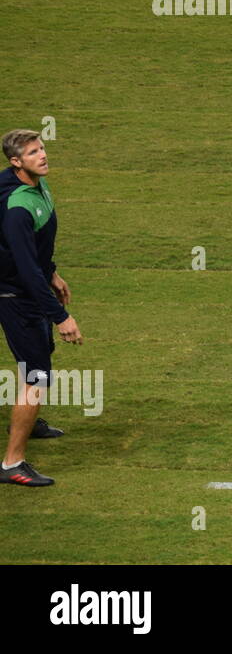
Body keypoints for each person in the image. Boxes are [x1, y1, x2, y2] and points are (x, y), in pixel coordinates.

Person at [0, 130, 83, 488]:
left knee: (38, 357)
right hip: (14, 295)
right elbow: (25, 267)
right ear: (15, 162)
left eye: (42, 149)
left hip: (24, 286)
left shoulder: (34, 184)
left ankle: (29, 423)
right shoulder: (18, 205)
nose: (43, 156)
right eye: (33, 153)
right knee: (38, 375)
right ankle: (11, 463)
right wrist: (60, 316)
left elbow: (38, 248)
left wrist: (53, 272)